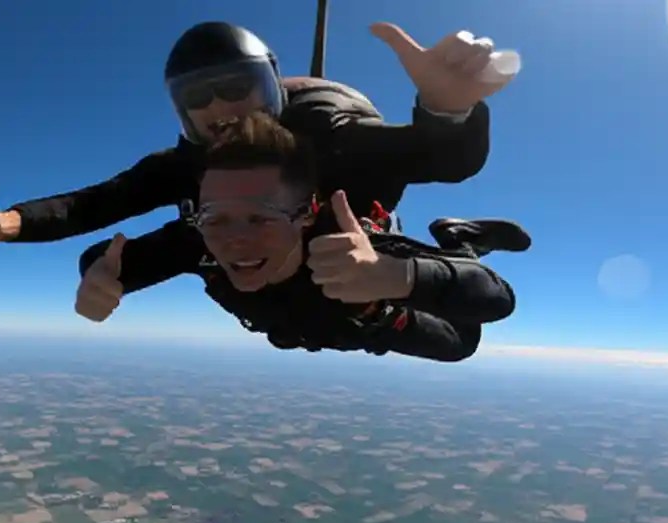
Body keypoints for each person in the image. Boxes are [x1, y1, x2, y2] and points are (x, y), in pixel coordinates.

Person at [0, 20, 522, 257]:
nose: (218, 107)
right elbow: (96, 202)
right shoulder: (187, 165)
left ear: (270, 86)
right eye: (198, 98)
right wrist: (8, 224)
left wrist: (448, 108)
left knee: (454, 339)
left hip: (351, 234)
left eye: (235, 86)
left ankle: (459, 240)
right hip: (285, 258)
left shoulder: (330, 135)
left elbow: (441, 159)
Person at [72, 112, 519, 363]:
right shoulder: (199, 242)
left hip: (365, 323)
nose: (235, 240)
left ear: (306, 215)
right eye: (215, 217)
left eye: (261, 218)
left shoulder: (343, 247)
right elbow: (112, 261)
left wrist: (392, 277)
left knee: (462, 343)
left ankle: (457, 239)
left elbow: (495, 298)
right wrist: (96, 276)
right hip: (317, 326)